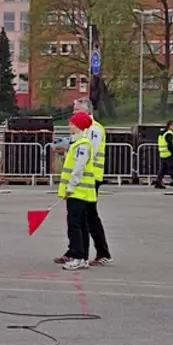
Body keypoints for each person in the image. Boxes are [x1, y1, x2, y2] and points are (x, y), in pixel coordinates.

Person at [56, 98, 112, 266]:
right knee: (81, 217)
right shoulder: (82, 132)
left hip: (89, 178)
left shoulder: (94, 129)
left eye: (76, 111)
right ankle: (76, 251)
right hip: (83, 178)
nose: (73, 114)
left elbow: (89, 153)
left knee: (87, 217)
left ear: (86, 112)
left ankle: (93, 252)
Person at [57, 112, 98, 271]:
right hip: (80, 192)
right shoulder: (78, 144)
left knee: (75, 225)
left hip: (78, 192)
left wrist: (70, 187)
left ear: (79, 126)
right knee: (81, 225)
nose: (69, 126)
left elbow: (78, 168)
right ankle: (82, 257)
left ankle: (78, 256)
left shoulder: (82, 145)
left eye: (72, 124)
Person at [153, 120, 173, 189]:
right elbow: (170, 145)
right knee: (172, 170)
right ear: (170, 126)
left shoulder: (161, 133)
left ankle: (158, 183)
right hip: (168, 154)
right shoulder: (169, 134)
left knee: (163, 170)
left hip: (162, 154)